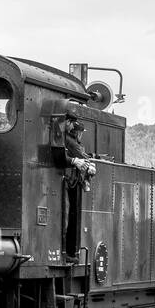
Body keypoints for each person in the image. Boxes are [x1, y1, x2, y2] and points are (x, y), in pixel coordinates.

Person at [59, 107, 96, 264]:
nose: (71, 126)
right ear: (68, 122)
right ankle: (65, 251)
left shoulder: (66, 138)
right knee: (66, 215)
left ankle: (66, 250)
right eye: (71, 123)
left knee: (68, 215)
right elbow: (81, 156)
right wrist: (88, 164)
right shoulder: (69, 141)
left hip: (67, 181)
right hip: (66, 181)